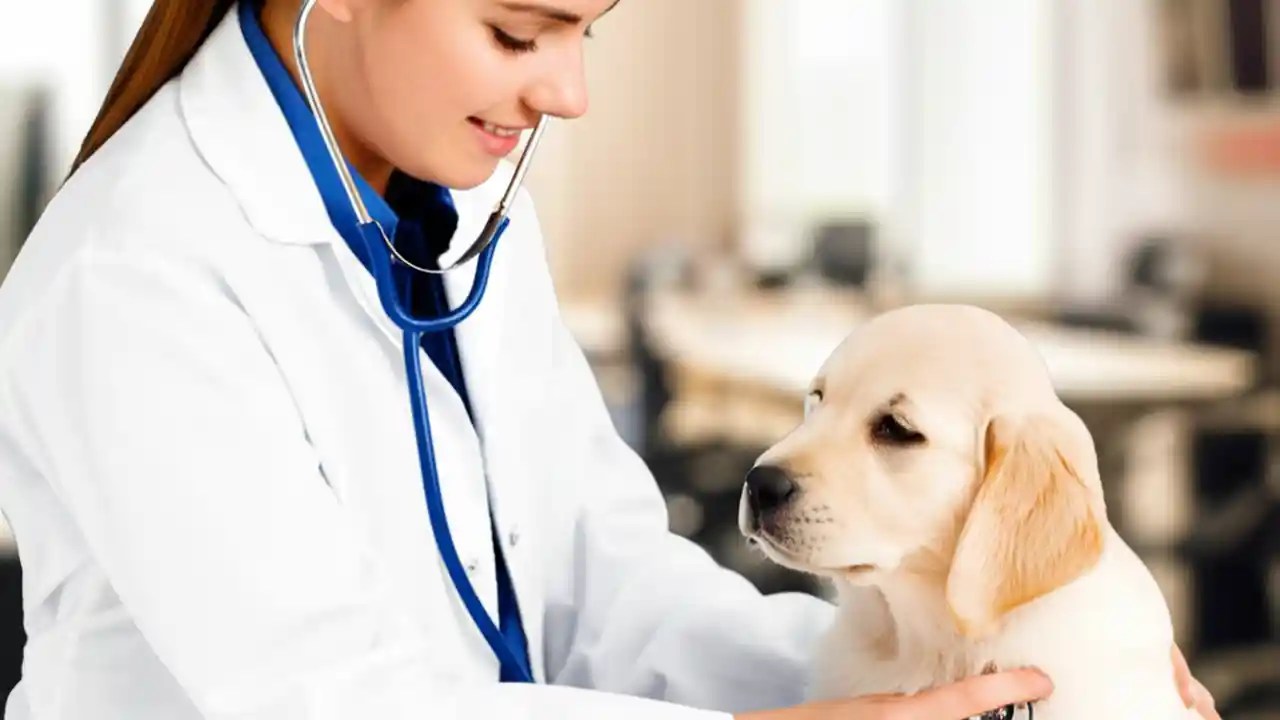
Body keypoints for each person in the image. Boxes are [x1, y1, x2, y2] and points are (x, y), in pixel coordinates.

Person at [0, 1, 1216, 718]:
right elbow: (328, 700)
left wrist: (970, 685)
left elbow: (601, 576)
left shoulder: (469, 217)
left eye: (583, 30)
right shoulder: (136, 267)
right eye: (520, 29)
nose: (569, 91)